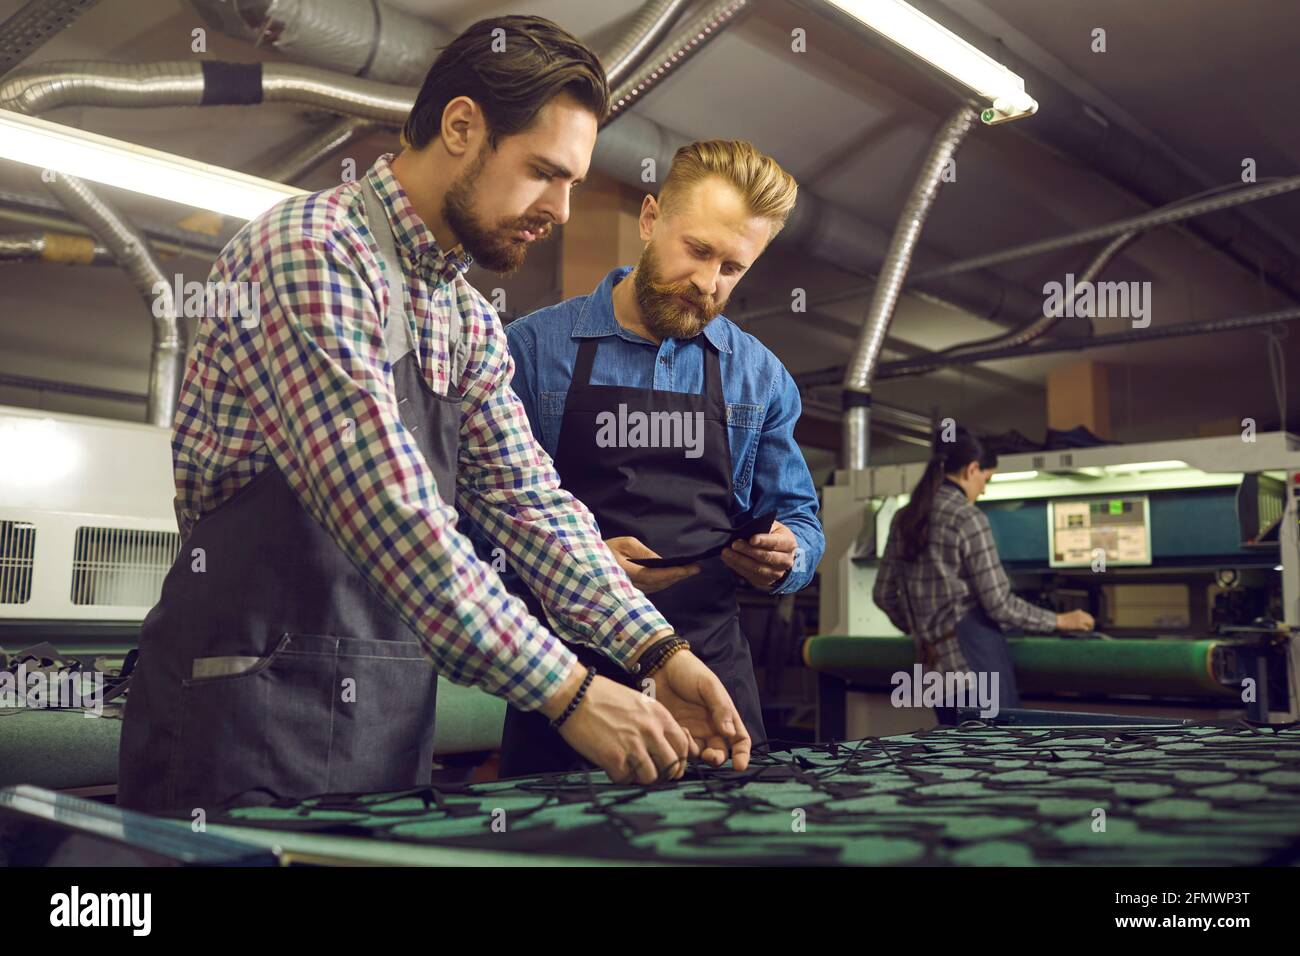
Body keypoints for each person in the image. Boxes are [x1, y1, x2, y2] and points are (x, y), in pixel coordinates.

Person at [117, 16, 750, 814]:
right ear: (461, 127)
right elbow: (392, 514)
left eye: (573, 185)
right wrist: (570, 691)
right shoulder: (313, 253)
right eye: (543, 173)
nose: (558, 208)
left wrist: (657, 649)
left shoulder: (466, 317)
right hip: (244, 718)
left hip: (385, 723)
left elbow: (532, 508)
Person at [492, 139, 825, 776]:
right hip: (572, 681)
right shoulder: (532, 351)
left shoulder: (759, 377)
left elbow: (803, 525)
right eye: (697, 251)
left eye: (733, 268)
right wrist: (574, 567)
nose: (707, 283)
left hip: (712, 683)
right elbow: (482, 524)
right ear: (650, 220)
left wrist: (788, 557)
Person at [872, 425, 1094, 717]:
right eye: (986, 479)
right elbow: (999, 604)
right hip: (973, 664)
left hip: (934, 667)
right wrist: (1061, 620)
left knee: (953, 756)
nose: (985, 488)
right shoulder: (968, 518)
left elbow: (883, 594)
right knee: (998, 756)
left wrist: (922, 631)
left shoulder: (904, 517)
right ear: (972, 469)